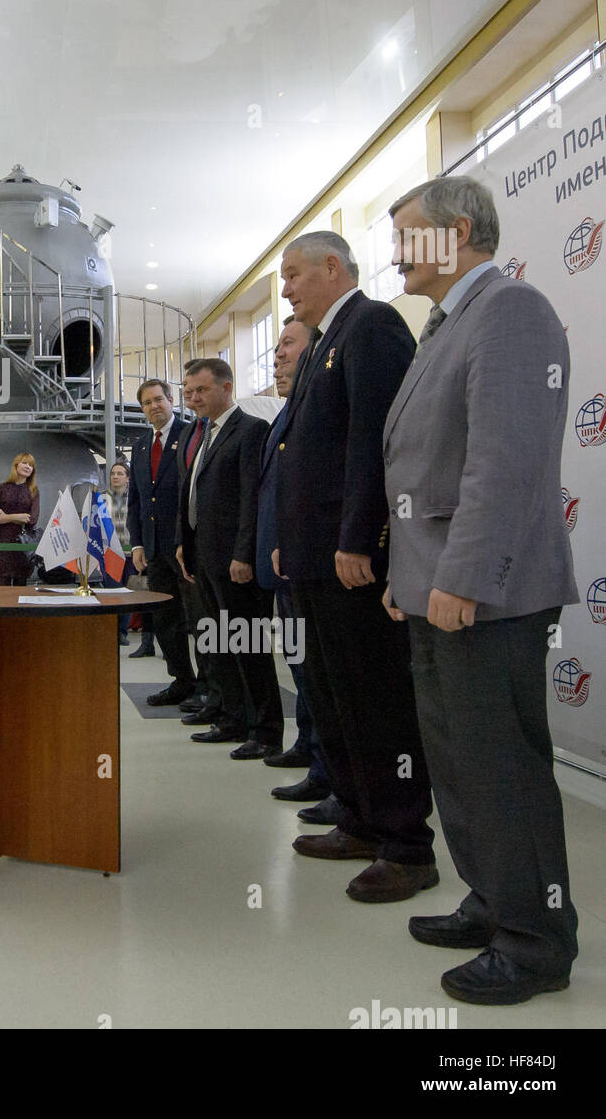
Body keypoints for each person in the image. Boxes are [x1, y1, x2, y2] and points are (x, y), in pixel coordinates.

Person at [383, 176, 578, 1004]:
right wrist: (408, 578)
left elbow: (504, 463)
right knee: (456, 762)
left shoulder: (510, 310)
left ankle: (535, 943)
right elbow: (424, 466)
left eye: (407, 234)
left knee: (502, 770)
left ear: (457, 232)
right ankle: (492, 900)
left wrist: (460, 577)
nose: (394, 251)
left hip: (484, 596)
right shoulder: (445, 326)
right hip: (433, 591)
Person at [273, 230, 436, 904]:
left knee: (375, 701)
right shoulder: (322, 347)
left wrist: (359, 538)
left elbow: (379, 442)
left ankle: (406, 845)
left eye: (292, 275)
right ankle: (359, 818)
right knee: (335, 699)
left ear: (332, 268)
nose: (285, 290)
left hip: (351, 560)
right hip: (315, 559)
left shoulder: (373, 328)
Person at [174, 359, 280, 758]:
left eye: (200, 390)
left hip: (236, 561)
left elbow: (253, 497)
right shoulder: (204, 434)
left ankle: (266, 731)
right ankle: (233, 720)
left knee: (249, 645)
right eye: (188, 390)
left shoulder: (251, 430)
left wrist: (243, 553)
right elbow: (197, 492)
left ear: (226, 387)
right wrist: (186, 542)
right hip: (204, 556)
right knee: (220, 644)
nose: (193, 397)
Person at [258, 317, 332, 808]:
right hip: (287, 562)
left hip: (312, 560)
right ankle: (308, 746)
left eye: (288, 344)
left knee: (319, 671)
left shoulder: (315, 411)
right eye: (278, 345)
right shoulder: (286, 415)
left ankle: (328, 769)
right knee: (300, 663)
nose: (278, 355)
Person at [126, 379, 193, 707]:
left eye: (158, 400)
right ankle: (182, 680)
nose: (153, 406)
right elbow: (136, 501)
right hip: (153, 549)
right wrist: (137, 544)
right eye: (146, 402)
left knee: (196, 617)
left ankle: (210, 686)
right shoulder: (139, 446)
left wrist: (187, 540)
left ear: (171, 400)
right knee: (166, 619)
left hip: (185, 548)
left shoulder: (192, 434)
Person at [0, 453, 40, 586]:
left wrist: (4, 516)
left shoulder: (33, 490)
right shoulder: (1, 488)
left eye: (31, 465)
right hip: (3, 545)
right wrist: (17, 517)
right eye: (24, 462)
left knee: (20, 587)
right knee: (2, 586)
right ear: (16, 465)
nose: (28, 467)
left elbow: (32, 519)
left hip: (23, 545)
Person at [101, 459, 135, 643]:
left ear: (128, 478)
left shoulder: (134, 498)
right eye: (113, 473)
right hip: (111, 553)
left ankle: (123, 631)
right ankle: (112, 631)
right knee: (113, 593)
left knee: (128, 593)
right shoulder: (102, 498)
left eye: (120, 473)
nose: (115, 476)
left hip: (131, 553)